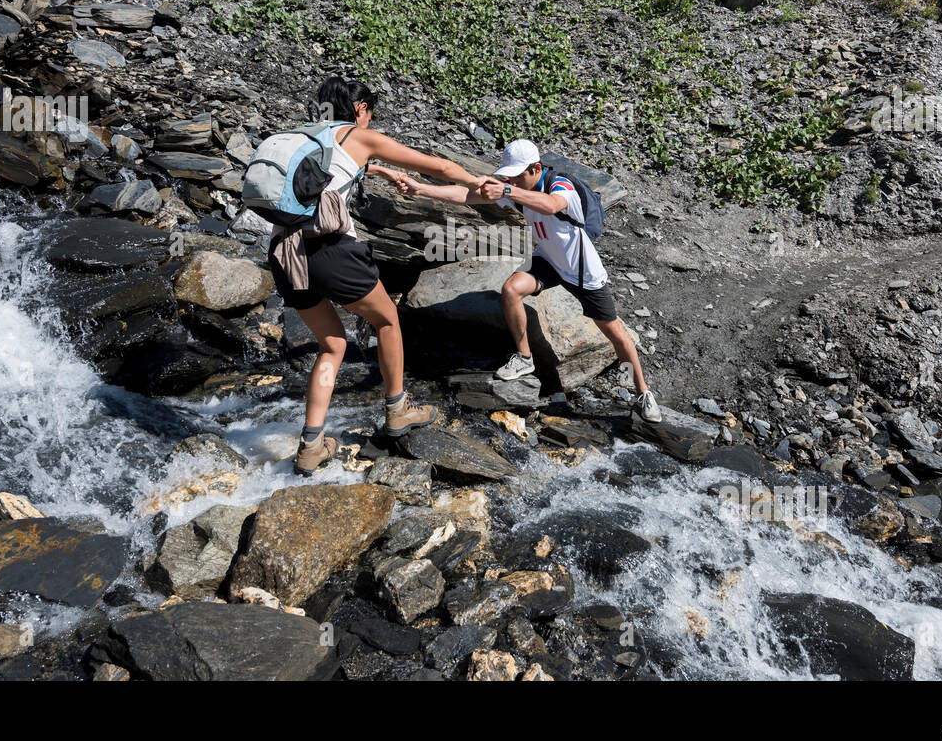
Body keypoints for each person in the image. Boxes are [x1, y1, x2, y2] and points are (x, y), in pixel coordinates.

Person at [271, 76, 490, 475]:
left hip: (284, 252)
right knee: (387, 320)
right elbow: (438, 166)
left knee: (332, 344)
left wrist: (381, 173)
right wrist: (476, 181)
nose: (369, 120)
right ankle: (398, 411)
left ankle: (311, 446)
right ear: (360, 109)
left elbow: (335, 173)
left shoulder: (307, 137)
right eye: (370, 111)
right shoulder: (359, 135)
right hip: (327, 252)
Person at [396, 138, 663, 423]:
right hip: (549, 261)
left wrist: (508, 189)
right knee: (511, 289)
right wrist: (421, 188)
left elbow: (551, 205)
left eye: (516, 174)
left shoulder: (560, 185)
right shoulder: (518, 187)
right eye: (508, 175)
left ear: (536, 168)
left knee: (616, 333)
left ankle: (643, 393)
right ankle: (525, 358)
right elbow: (466, 195)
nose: (510, 179)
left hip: (581, 270)